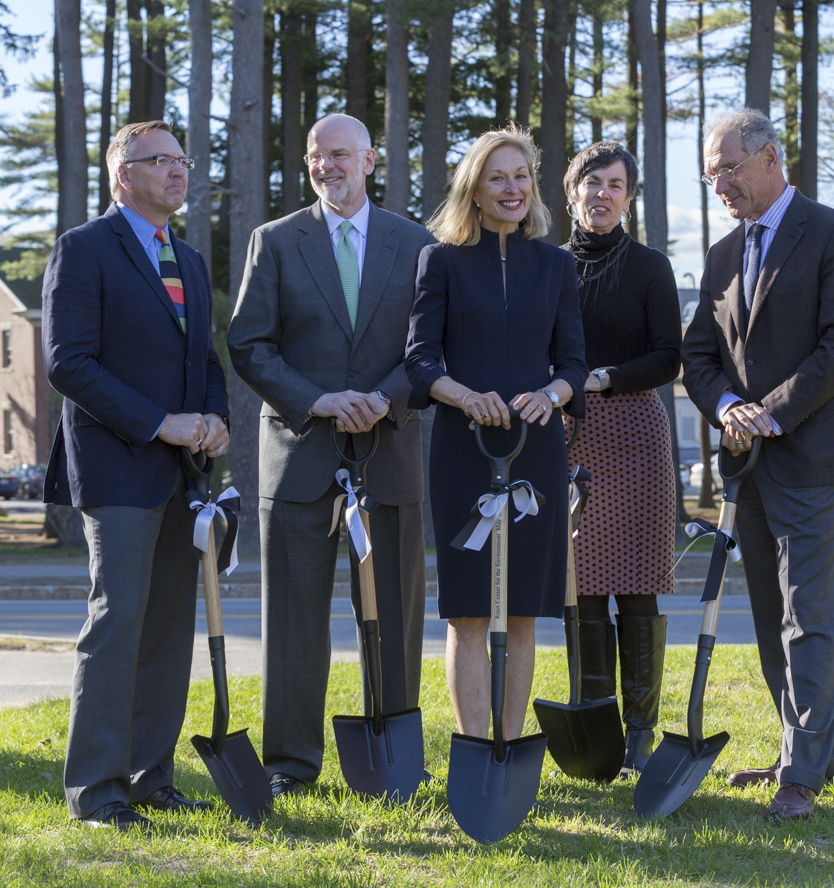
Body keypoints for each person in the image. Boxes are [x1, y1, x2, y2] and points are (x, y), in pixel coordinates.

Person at [682, 109, 834, 820]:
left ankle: (800, 775)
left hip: (815, 456)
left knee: (810, 619)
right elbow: (698, 356)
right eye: (710, 175)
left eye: (729, 169)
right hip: (750, 466)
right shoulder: (720, 256)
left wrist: (764, 413)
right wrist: (727, 409)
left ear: (771, 158)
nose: (720, 185)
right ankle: (812, 756)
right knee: (773, 619)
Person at [228, 114, 433, 799]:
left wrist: (384, 397)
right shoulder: (276, 240)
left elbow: (430, 345)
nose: (326, 166)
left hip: (388, 446)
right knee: (292, 616)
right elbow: (249, 344)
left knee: (395, 611)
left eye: (340, 154)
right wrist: (317, 400)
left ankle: (394, 756)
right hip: (299, 451)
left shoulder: (415, 243)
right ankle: (290, 762)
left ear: (370, 160)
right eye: (316, 156)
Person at [42, 120, 230, 830]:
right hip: (116, 467)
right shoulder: (84, 248)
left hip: (184, 471)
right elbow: (68, 363)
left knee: (167, 629)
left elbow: (204, 360)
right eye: (161, 161)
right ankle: (97, 791)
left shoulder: (188, 259)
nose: (178, 171)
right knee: (117, 622)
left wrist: (215, 419)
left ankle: (152, 777)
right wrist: (159, 423)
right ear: (124, 175)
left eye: (182, 160)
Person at [405, 125, 587, 744]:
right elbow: (419, 360)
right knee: (469, 612)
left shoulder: (556, 264)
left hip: (536, 447)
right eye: (497, 177)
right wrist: (465, 397)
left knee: (524, 610)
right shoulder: (440, 260)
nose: (513, 188)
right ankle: (475, 748)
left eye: (521, 175)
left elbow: (574, 364)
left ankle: (511, 745)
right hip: (465, 449)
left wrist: (550, 396)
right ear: (474, 189)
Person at [559, 142, 682, 775]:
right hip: (565, 437)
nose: (603, 193)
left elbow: (669, 357)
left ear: (628, 198)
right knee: (580, 592)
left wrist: (604, 378)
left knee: (636, 591)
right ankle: (594, 725)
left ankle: (640, 735)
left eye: (615, 185)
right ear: (571, 191)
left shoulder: (650, 267)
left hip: (635, 435)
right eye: (593, 182)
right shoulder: (548, 266)